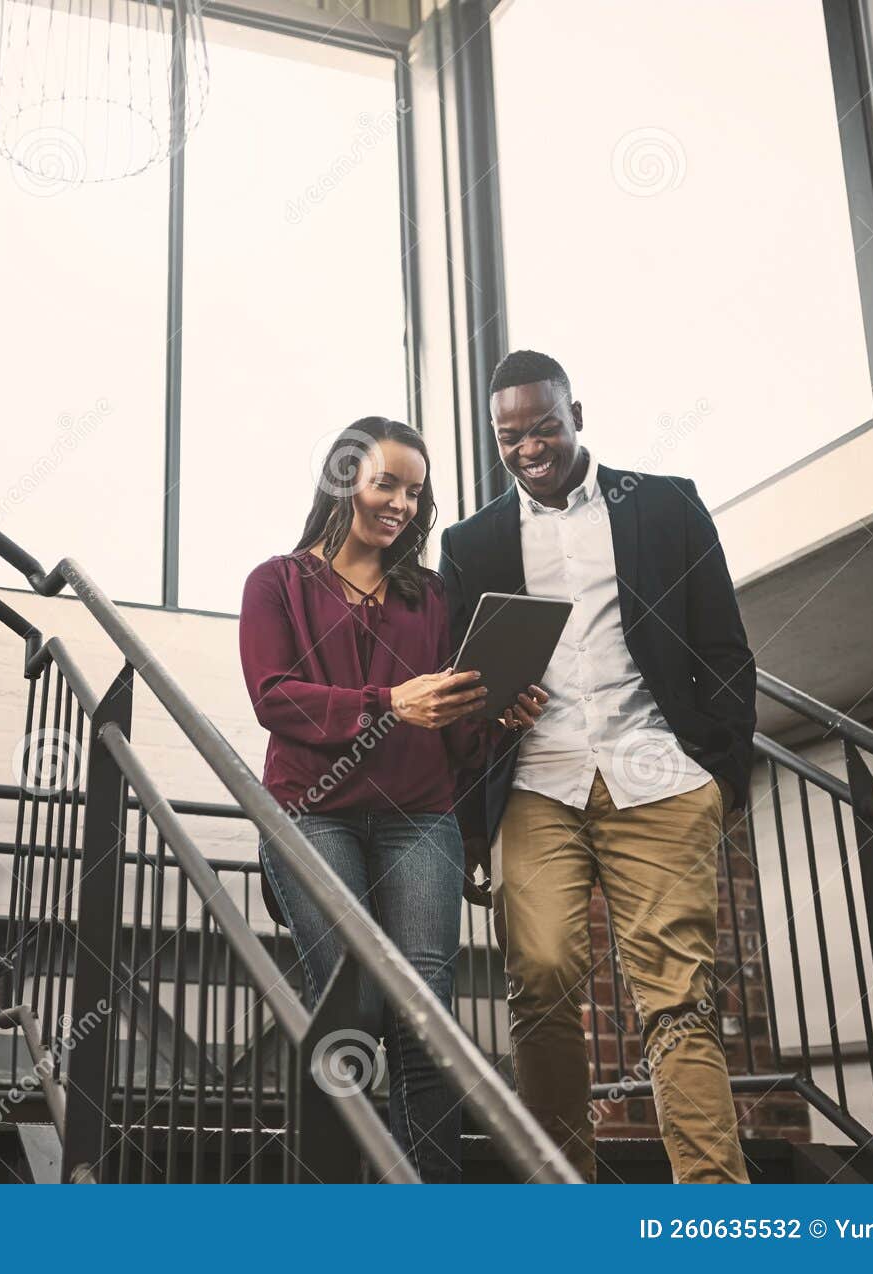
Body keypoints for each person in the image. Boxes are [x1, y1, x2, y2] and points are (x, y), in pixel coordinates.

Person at [439, 350, 757, 1184]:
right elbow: (459, 680)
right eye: (510, 436)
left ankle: (715, 1211)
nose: (530, 448)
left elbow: (724, 647)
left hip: (656, 774)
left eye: (544, 426)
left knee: (677, 998)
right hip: (538, 783)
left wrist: (720, 778)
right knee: (538, 978)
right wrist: (493, 703)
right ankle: (560, 1196)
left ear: (577, 411)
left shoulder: (662, 505)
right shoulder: (469, 544)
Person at [239, 416, 545, 1182]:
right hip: (314, 813)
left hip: (421, 816)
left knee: (426, 1020)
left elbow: (451, 723)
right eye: (387, 484)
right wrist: (385, 704)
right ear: (345, 481)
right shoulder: (275, 583)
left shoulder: (432, 596)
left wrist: (494, 710)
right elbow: (276, 698)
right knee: (354, 1003)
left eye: (416, 491)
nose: (404, 505)